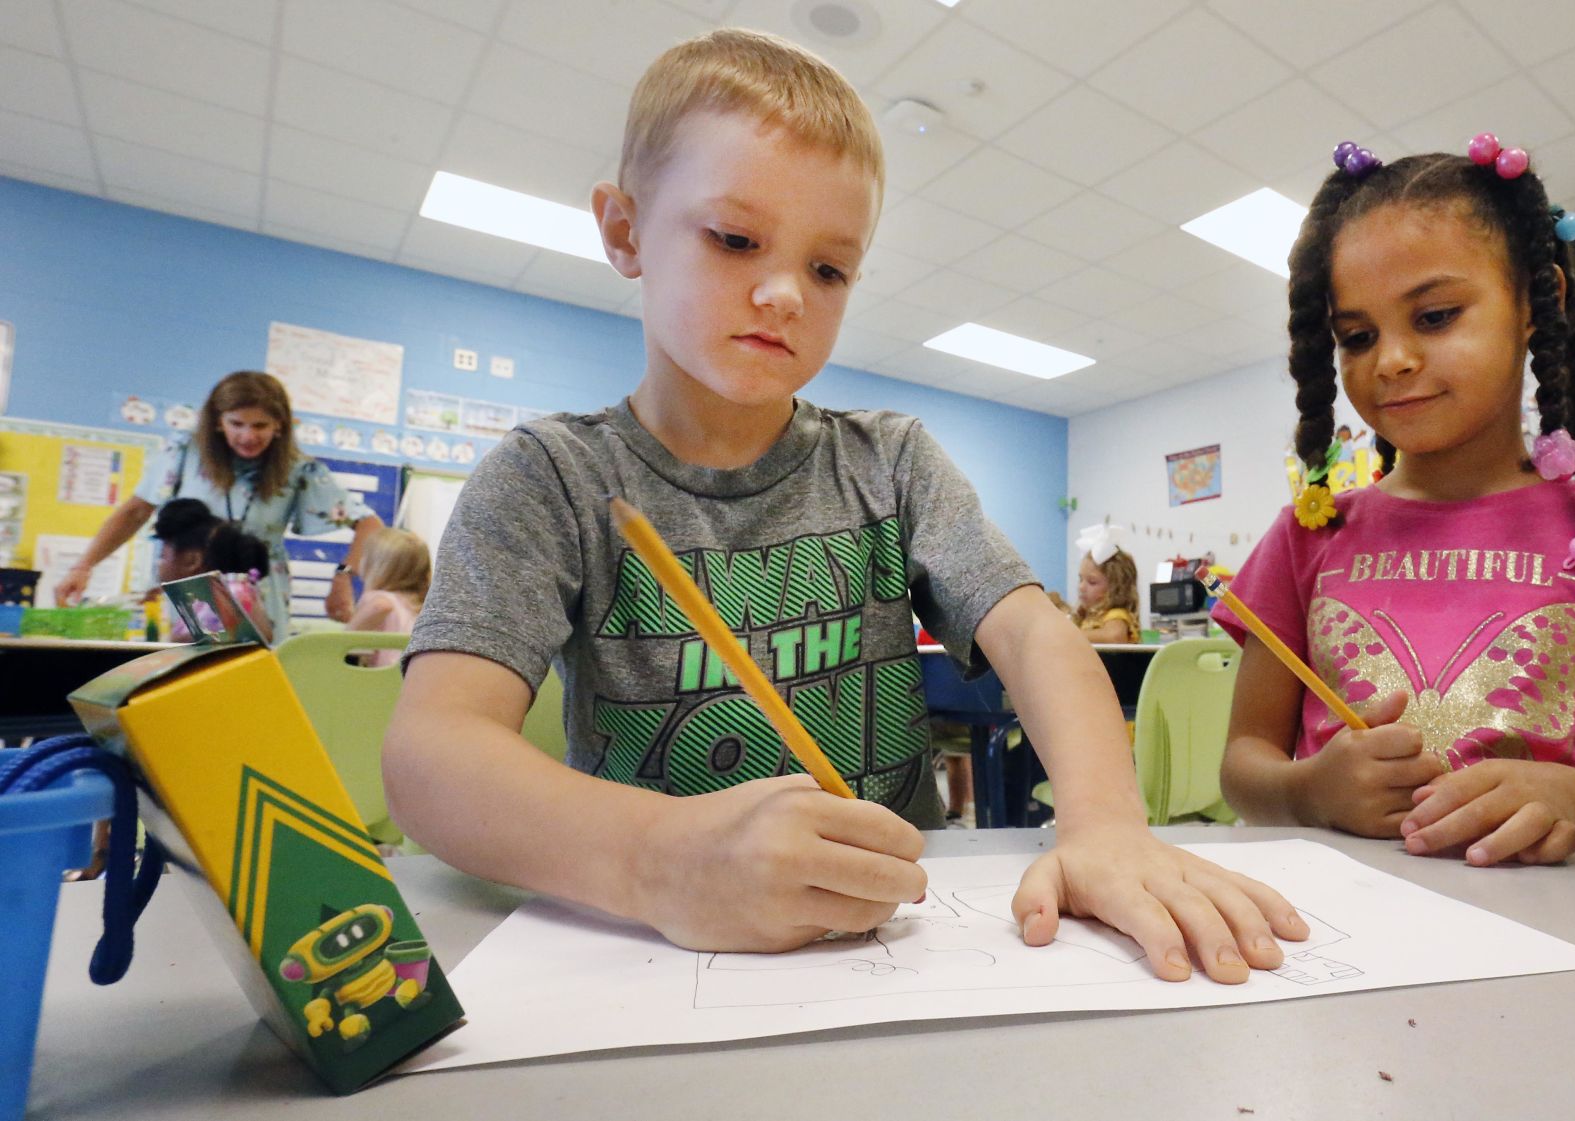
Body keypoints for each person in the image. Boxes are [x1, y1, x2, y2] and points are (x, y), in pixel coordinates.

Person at [384, 28, 1305, 982]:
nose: (783, 292)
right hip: (656, 954)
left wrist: (1106, 824)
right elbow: (431, 754)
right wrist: (657, 861)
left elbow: (1035, 635)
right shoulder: (551, 478)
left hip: (898, 938)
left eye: (830, 268)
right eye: (735, 238)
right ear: (624, 231)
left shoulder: (892, 461)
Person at [1218, 138, 1575, 868]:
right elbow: (1243, 765)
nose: (1393, 359)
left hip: (1569, 939)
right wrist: (1311, 790)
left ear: (1539, 304)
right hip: (1341, 928)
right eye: (1357, 335)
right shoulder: (1308, 534)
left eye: (1435, 316)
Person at [54, 371, 384, 638]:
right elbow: (136, 510)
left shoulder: (298, 471)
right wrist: (83, 565)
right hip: (193, 584)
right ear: (217, 421)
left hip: (260, 589)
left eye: (260, 425)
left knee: (253, 682)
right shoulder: (185, 452)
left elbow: (369, 524)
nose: (247, 436)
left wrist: (343, 577)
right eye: (236, 424)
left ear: (279, 425)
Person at [346, 527, 431, 667]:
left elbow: (380, 607)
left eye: (364, 556)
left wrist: (346, 636)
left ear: (376, 566)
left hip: (386, 673)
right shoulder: (417, 603)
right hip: (413, 674)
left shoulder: (379, 598)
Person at [1071, 524, 1140, 644]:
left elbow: (1115, 637)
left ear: (1116, 588)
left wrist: (1068, 635)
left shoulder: (1116, 614)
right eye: (1080, 579)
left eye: (1092, 582)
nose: (1081, 587)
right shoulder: (1087, 617)